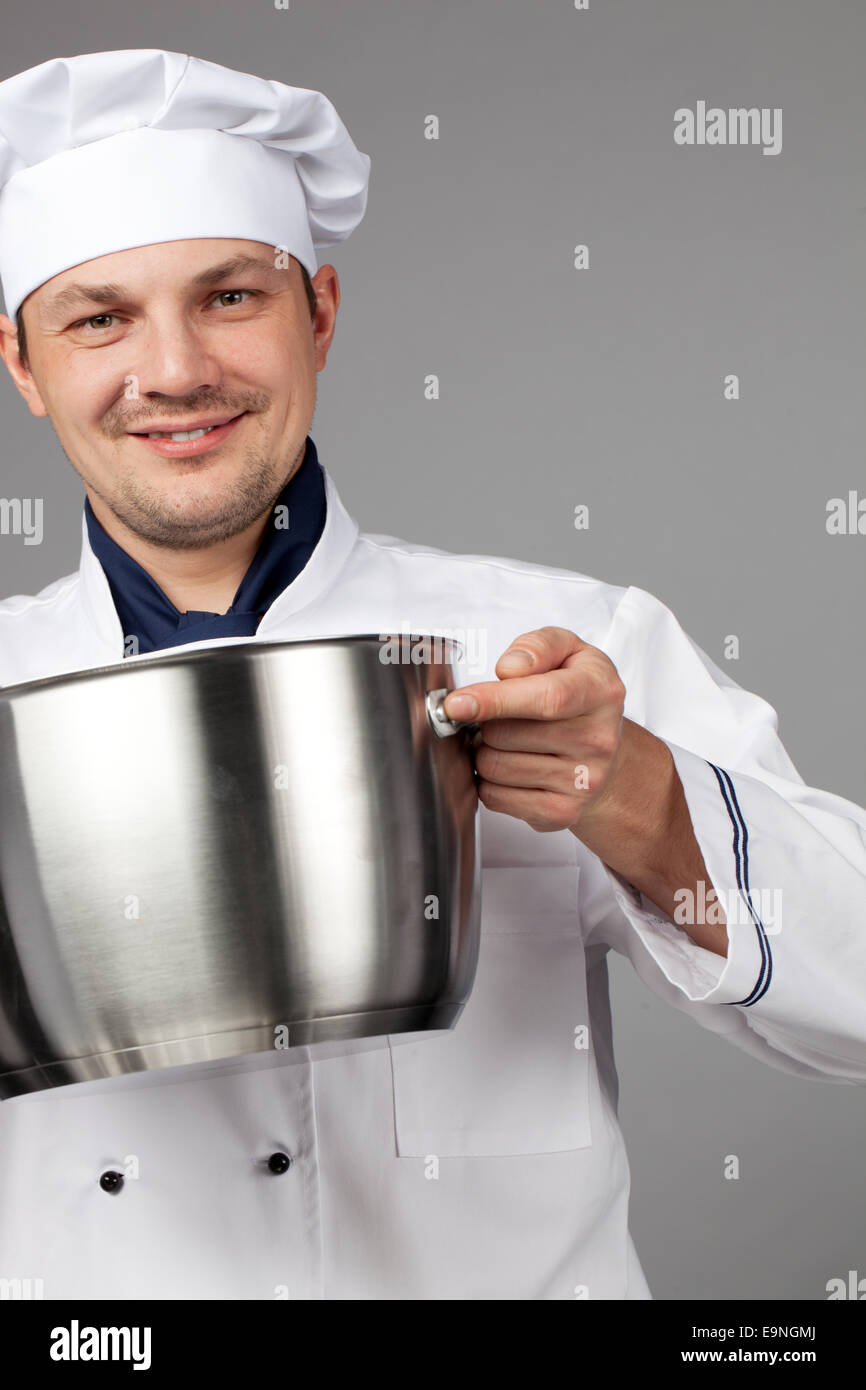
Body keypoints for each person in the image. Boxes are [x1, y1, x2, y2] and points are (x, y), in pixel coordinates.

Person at [0, 48, 863, 1301]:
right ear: (24, 365)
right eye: (99, 317)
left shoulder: (557, 647)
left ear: (323, 312)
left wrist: (638, 799)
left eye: (232, 297)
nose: (176, 369)